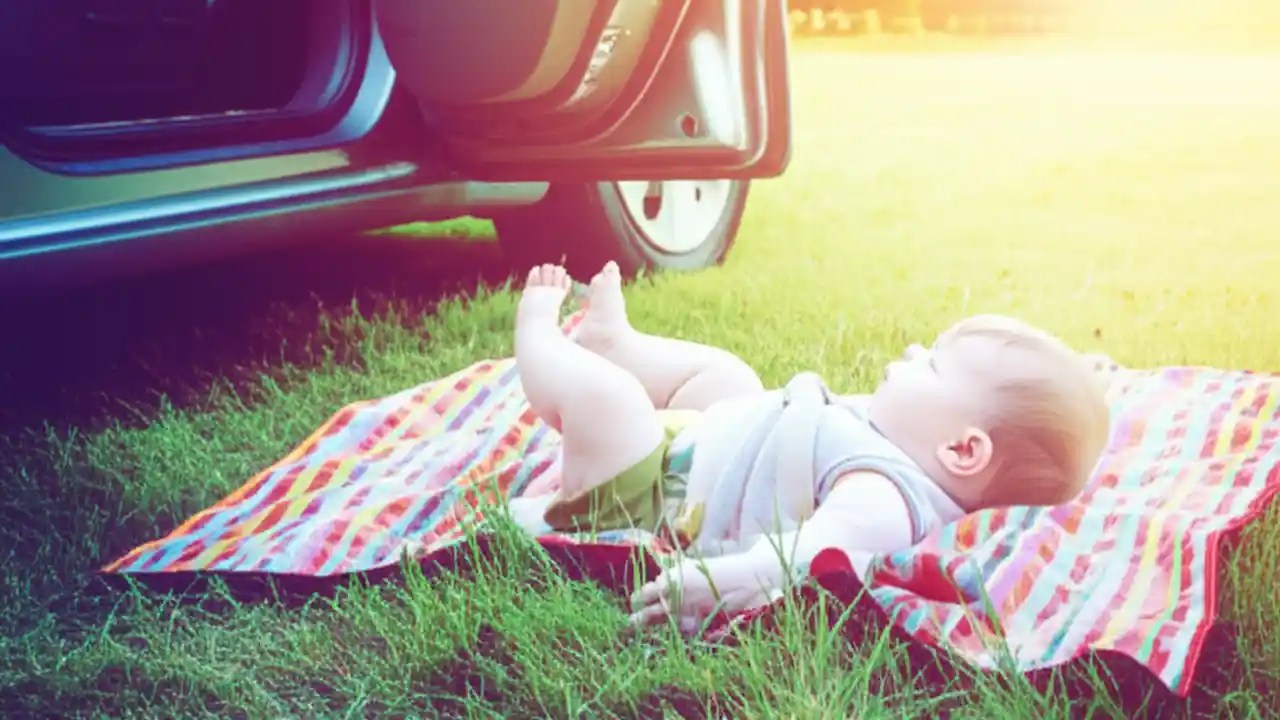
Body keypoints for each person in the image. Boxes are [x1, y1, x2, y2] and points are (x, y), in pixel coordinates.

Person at [508, 261, 1110, 631]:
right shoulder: (898, 439)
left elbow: (812, 552)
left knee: (608, 401)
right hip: (699, 444)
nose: (908, 354)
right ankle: (615, 342)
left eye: (930, 365)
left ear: (961, 451)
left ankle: (538, 333)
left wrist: (717, 581)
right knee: (730, 376)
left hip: (644, 492)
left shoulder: (885, 499)